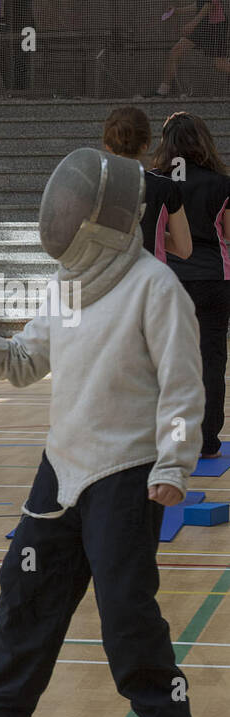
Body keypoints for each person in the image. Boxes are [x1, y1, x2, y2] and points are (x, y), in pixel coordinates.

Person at [0, 147, 204, 717]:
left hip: (126, 471)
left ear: (102, 222)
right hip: (61, 467)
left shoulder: (156, 289)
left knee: (127, 610)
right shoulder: (66, 287)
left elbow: (185, 389)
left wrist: (174, 468)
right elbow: (24, 360)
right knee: (26, 591)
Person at [151, 111, 230, 460]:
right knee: (211, 361)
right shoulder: (222, 184)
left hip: (167, 280)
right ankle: (207, 440)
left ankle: (171, 437)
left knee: (168, 362)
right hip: (213, 280)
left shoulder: (156, 182)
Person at [101, 107, 191, 263]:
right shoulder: (165, 188)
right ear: (146, 144)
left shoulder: (92, 184)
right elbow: (184, 249)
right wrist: (149, 233)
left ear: (107, 145)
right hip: (150, 280)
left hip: (105, 280)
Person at [157, 2, 230, 97]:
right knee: (175, 51)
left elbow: (209, 4)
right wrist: (177, 11)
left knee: (220, 64)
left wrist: (192, 24)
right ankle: (163, 91)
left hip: (216, 26)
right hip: (203, 25)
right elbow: (200, 4)